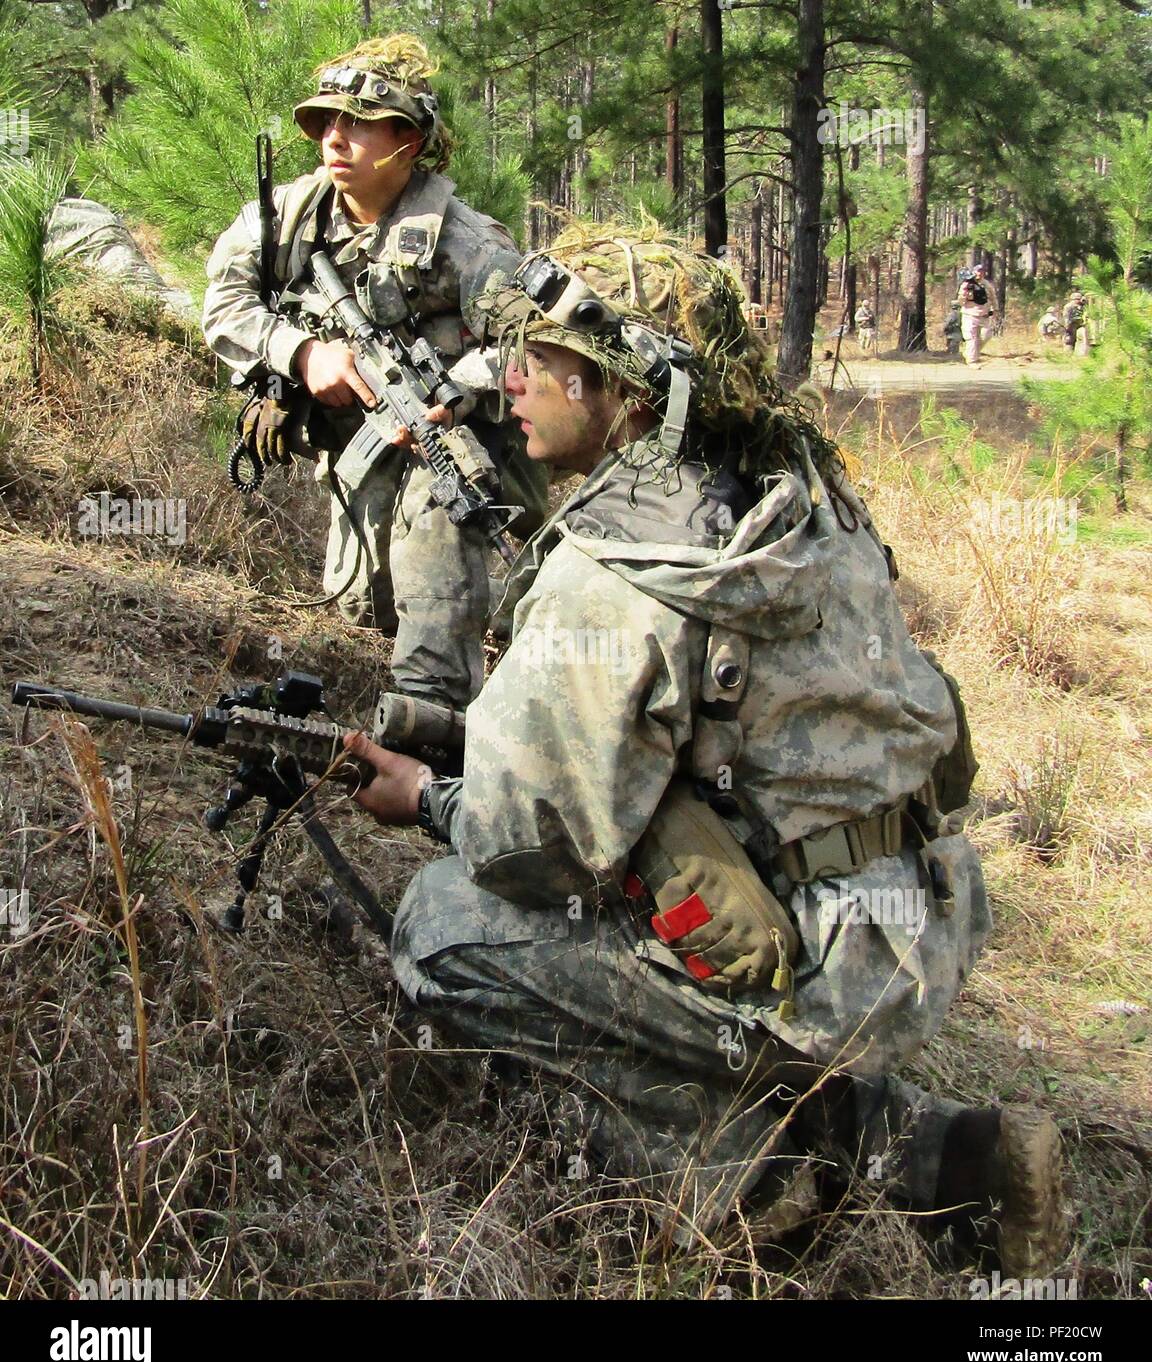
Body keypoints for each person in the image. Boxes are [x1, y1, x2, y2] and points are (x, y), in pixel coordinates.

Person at [343, 226, 1067, 1274]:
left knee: (447, 927)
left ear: (626, 388)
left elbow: (532, 844)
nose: (511, 378)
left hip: (816, 963)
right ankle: (946, 1150)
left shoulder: (622, 563)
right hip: (925, 912)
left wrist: (428, 800)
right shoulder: (797, 494)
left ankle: (761, 1179)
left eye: (545, 360)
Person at [203, 35, 545, 713]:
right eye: (327, 122)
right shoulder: (289, 218)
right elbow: (223, 301)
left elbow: (534, 342)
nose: (335, 138)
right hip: (364, 447)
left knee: (449, 537)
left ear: (407, 143)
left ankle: (437, 721)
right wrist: (301, 352)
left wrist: (464, 387)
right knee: (362, 605)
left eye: (358, 124)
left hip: (455, 439)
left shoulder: (465, 243)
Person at [958, 265, 998, 367]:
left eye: (982, 271)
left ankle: (970, 353)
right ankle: (972, 361)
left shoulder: (987, 284)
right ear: (974, 272)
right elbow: (961, 301)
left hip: (984, 315)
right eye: (978, 271)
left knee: (986, 335)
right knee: (971, 338)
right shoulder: (967, 284)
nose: (980, 273)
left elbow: (993, 297)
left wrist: (995, 309)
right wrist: (966, 293)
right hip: (970, 314)